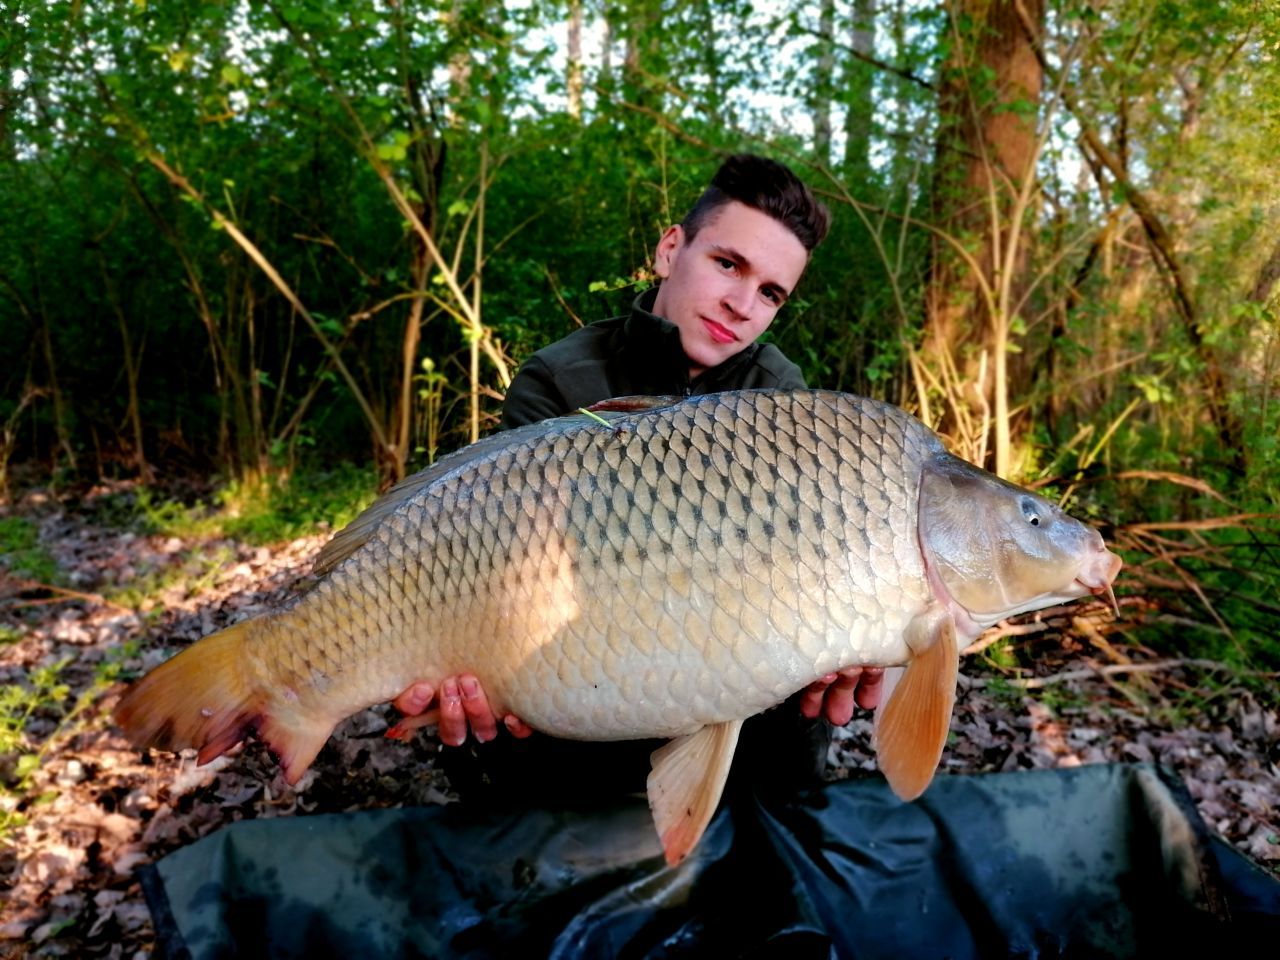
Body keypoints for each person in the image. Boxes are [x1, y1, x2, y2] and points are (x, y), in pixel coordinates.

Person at [392, 154, 883, 801]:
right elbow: (504, 569)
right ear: (670, 249)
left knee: (789, 720)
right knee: (498, 722)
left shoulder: (778, 397)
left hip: (729, 685)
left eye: (771, 293)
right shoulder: (559, 380)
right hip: (580, 688)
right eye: (728, 264)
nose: (742, 305)